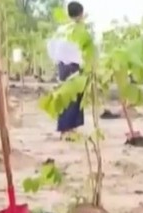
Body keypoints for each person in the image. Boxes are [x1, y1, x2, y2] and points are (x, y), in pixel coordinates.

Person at [47, 1, 85, 138]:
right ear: (80, 14)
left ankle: (70, 128)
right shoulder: (77, 30)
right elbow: (82, 49)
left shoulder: (61, 29)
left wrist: (56, 61)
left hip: (63, 66)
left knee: (69, 97)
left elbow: (50, 46)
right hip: (72, 66)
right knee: (71, 99)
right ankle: (66, 129)